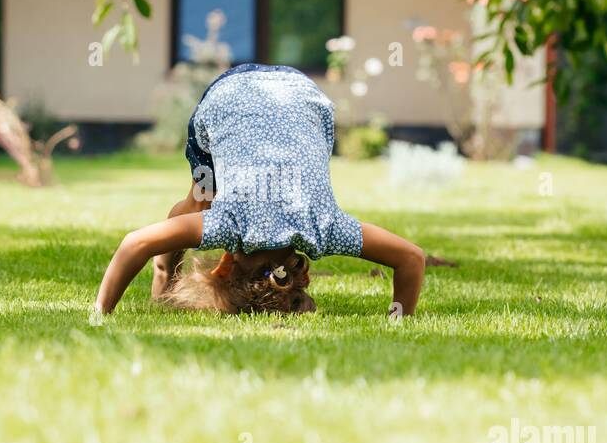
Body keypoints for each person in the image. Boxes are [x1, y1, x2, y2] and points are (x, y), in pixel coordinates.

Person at [94, 63, 425, 316]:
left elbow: (411, 259)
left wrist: (399, 319)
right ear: (225, 267)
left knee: (200, 201)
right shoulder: (229, 225)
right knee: (201, 203)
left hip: (304, 97)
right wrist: (100, 312)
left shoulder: (323, 228)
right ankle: (165, 270)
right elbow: (134, 244)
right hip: (231, 94)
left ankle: (164, 272)